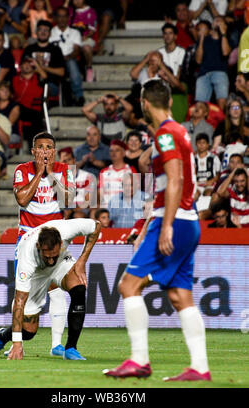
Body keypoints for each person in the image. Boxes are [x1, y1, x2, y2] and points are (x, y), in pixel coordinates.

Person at [104, 79, 211, 381]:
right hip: (188, 223)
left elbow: (175, 180)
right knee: (180, 296)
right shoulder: (176, 132)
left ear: (145, 102)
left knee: (128, 285)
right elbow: (152, 166)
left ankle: (139, 361)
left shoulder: (166, 134)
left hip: (174, 222)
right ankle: (200, 367)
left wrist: (164, 227)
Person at [0, 217, 101, 360]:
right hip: (37, 274)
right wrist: (17, 343)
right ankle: (1, 337)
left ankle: (71, 348)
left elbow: (96, 226)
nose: (50, 260)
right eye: (47, 257)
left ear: (61, 243)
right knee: (28, 331)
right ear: (39, 247)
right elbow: (20, 301)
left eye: (53, 256)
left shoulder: (66, 229)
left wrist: (82, 260)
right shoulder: (27, 257)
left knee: (79, 289)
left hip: (61, 264)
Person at [11, 131, 75, 356]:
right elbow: (22, 199)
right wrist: (39, 173)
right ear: (33, 151)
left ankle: (57, 346)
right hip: (29, 238)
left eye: (49, 147)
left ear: (54, 151)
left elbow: (68, 202)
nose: (45, 151)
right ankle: (6, 337)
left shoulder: (65, 171)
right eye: (41, 147)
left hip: (56, 238)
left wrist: (51, 175)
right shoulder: (22, 170)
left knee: (57, 289)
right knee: (27, 312)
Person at [49, 6, 85, 106]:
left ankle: (79, 97)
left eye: (64, 16)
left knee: (72, 63)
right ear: (55, 18)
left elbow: (77, 51)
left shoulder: (75, 32)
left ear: (68, 18)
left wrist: (66, 57)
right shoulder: (50, 32)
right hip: (54, 62)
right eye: (59, 16)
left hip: (69, 59)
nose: (62, 19)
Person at [195, 16, 231, 112]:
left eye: (220, 21)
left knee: (222, 101)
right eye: (216, 20)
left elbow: (225, 52)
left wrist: (223, 34)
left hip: (220, 72)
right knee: (200, 105)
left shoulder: (227, 38)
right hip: (204, 73)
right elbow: (198, 60)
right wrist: (202, 38)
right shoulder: (205, 40)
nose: (218, 23)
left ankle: (222, 123)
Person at [22, 19, 65, 99]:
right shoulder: (29, 49)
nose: (43, 32)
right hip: (30, 81)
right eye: (40, 30)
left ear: (50, 34)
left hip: (50, 84)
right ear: (36, 32)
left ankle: (43, 110)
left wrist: (43, 68)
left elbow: (61, 72)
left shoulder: (56, 50)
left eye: (46, 30)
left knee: (44, 90)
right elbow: (23, 67)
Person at [12, 55, 48, 150]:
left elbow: (45, 76)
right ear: (21, 66)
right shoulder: (16, 79)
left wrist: (36, 65)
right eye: (24, 64)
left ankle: (34, 147)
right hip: (20, 110)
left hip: (35, 109)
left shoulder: (37, 77)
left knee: (36, 118)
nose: (27, 66)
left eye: (29, 64)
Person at [98, 139, 137, 208]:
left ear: (124, 153)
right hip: (106, 210)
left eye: (117, 150)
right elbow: (99, 193)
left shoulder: (131, 170)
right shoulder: (103, 172)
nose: (113, 153)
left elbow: (135, 192)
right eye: (111, 151)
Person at [65, 0, 97, 82]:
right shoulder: (70, 10)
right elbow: (62, 12)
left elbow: (92, 30)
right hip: (71, 39)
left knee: (86, 48)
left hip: (85, 38)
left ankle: (89, 69)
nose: (77, 1)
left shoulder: (91, 11)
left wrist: (84, 37)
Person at [58, 146, 96, 210]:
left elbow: (88, 202)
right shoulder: (57, 178)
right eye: (64, 161)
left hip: (82, 210)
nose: (67, 163)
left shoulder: (88, 176)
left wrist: (74, 210)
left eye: (69, 159)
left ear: (74, 160)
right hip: (64, 210)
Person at [0, 81, 21, 149]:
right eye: (2, 90)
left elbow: (8, 124)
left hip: (11, 134)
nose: (5, 92)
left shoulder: (14, 106)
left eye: (7, 90)